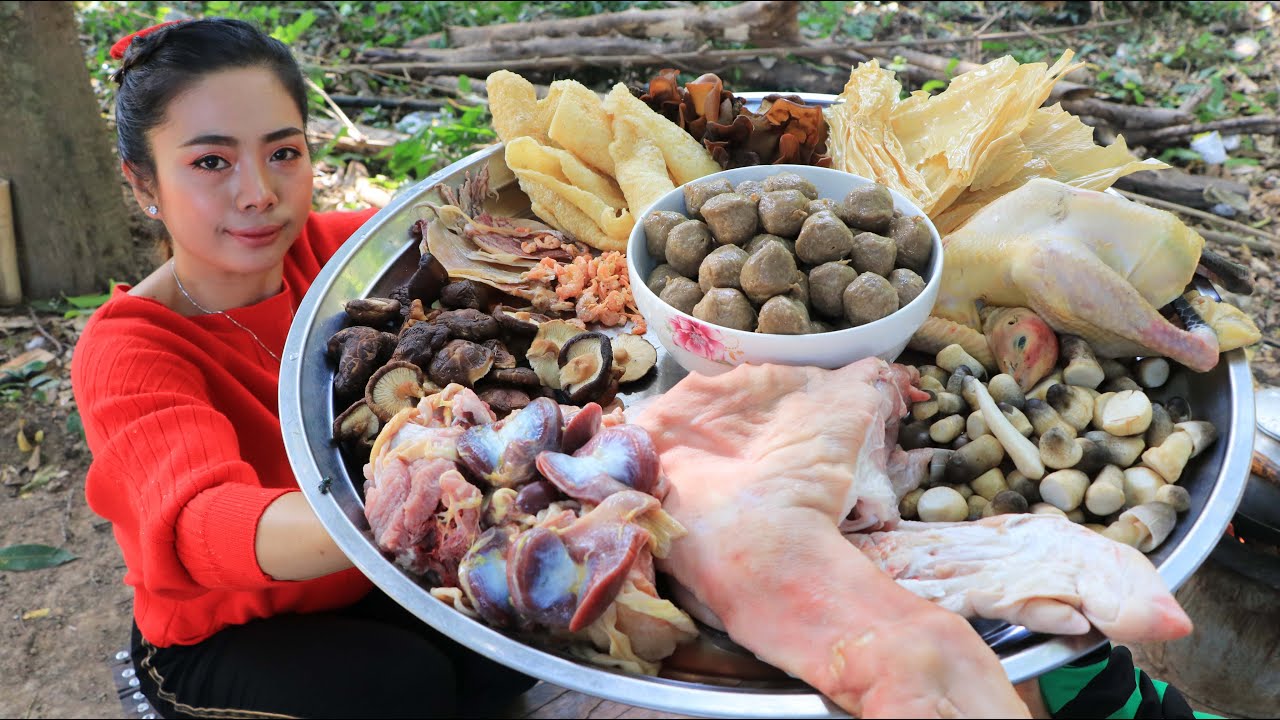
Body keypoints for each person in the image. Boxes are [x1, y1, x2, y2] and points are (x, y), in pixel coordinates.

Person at [70, 18, 535, 719]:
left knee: (514, 643)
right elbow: (205, 527)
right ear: (143, 186)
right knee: (392, 690)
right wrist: (423, 496)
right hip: (227, 628)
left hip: (363, 580)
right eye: (210, 162)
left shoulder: (349, 258)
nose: (258, 192)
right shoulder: (131, 350)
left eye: (282, 152)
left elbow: (493, 229)